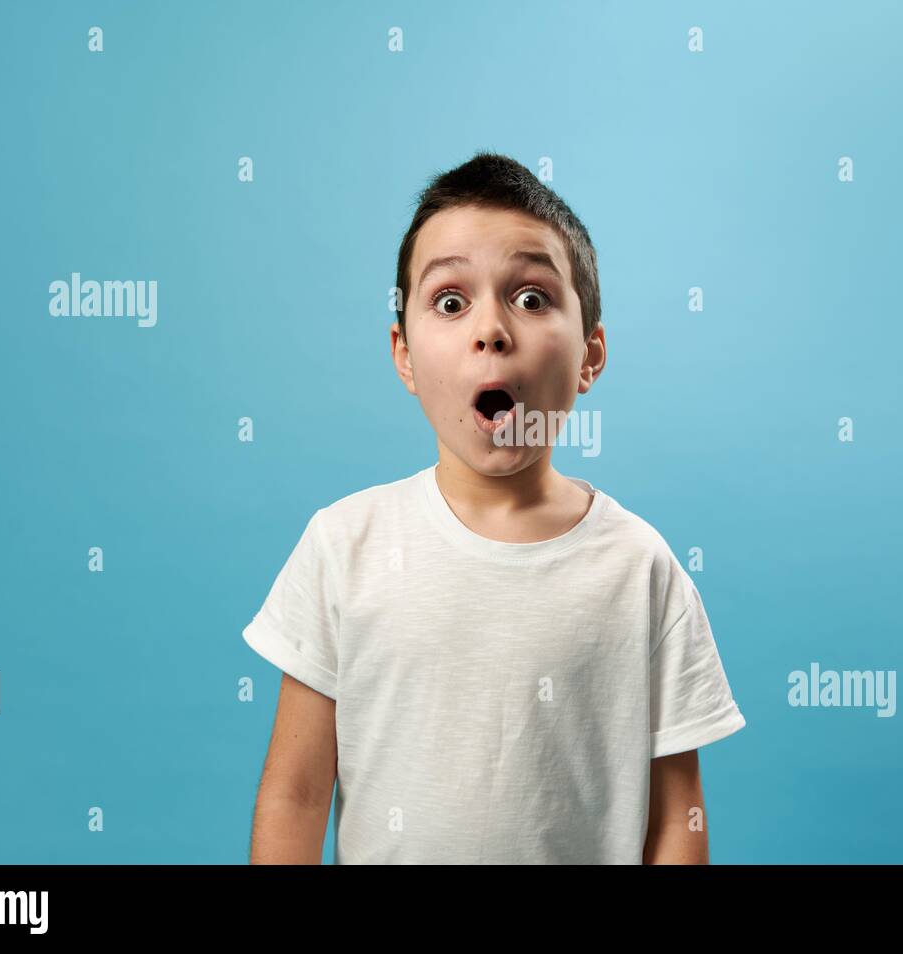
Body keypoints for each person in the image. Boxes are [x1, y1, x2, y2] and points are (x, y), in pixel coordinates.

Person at [243, 152, 746, 864]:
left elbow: (676, 821)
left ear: (590, 356)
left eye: (533, 297)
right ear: (405, 355)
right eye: (451, 301)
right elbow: (295, 795)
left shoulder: (642, 571)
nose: (492, 329)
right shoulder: (342, 546)